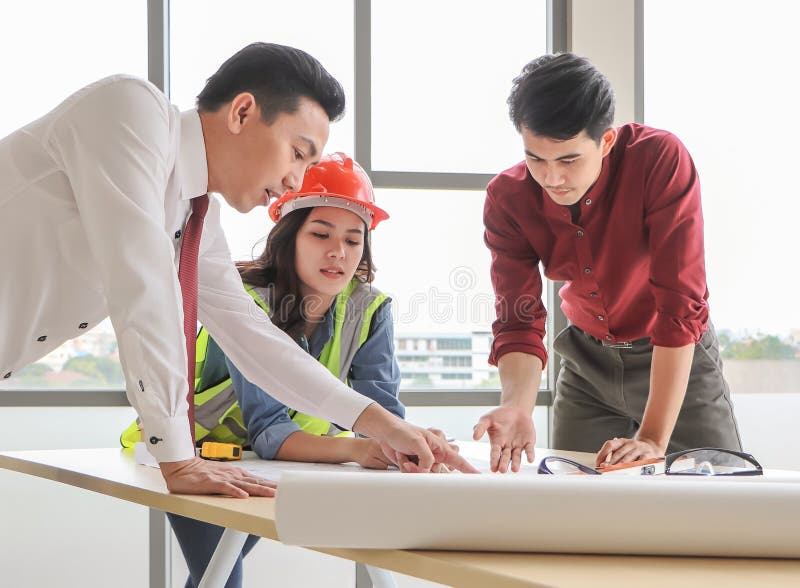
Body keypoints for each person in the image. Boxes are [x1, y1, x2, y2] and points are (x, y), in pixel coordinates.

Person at [0, 42, 476, 499]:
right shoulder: (130, 112)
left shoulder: (195, 215)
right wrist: (179, 459)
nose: (295, 180)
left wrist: (381, 423)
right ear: (242, 112)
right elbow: (144, 293)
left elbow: (253, 337)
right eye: (298, 153)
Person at [474, 52, 742, 472]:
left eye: (569, 160)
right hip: (586, 365)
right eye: (536, 159)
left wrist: (653, 437)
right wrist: (516, 407)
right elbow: (519, 320)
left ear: (607, 141)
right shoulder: (507, 198)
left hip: (675, 356)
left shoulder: (659, 159)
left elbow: (680, 303)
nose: (552, 179)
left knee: (720, 492)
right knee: (579, 499)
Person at [165, 152, 405, 587]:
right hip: (198, 454)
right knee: (220, 575)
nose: (338, 252)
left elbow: (383, 415)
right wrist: (357, 451)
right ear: (288, 237)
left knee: (215, 575)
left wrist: (404, 442)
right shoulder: (244, 304)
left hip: (282, 464)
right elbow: (270, 432)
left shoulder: (370, 309)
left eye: (353, 240)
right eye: (320, 234)